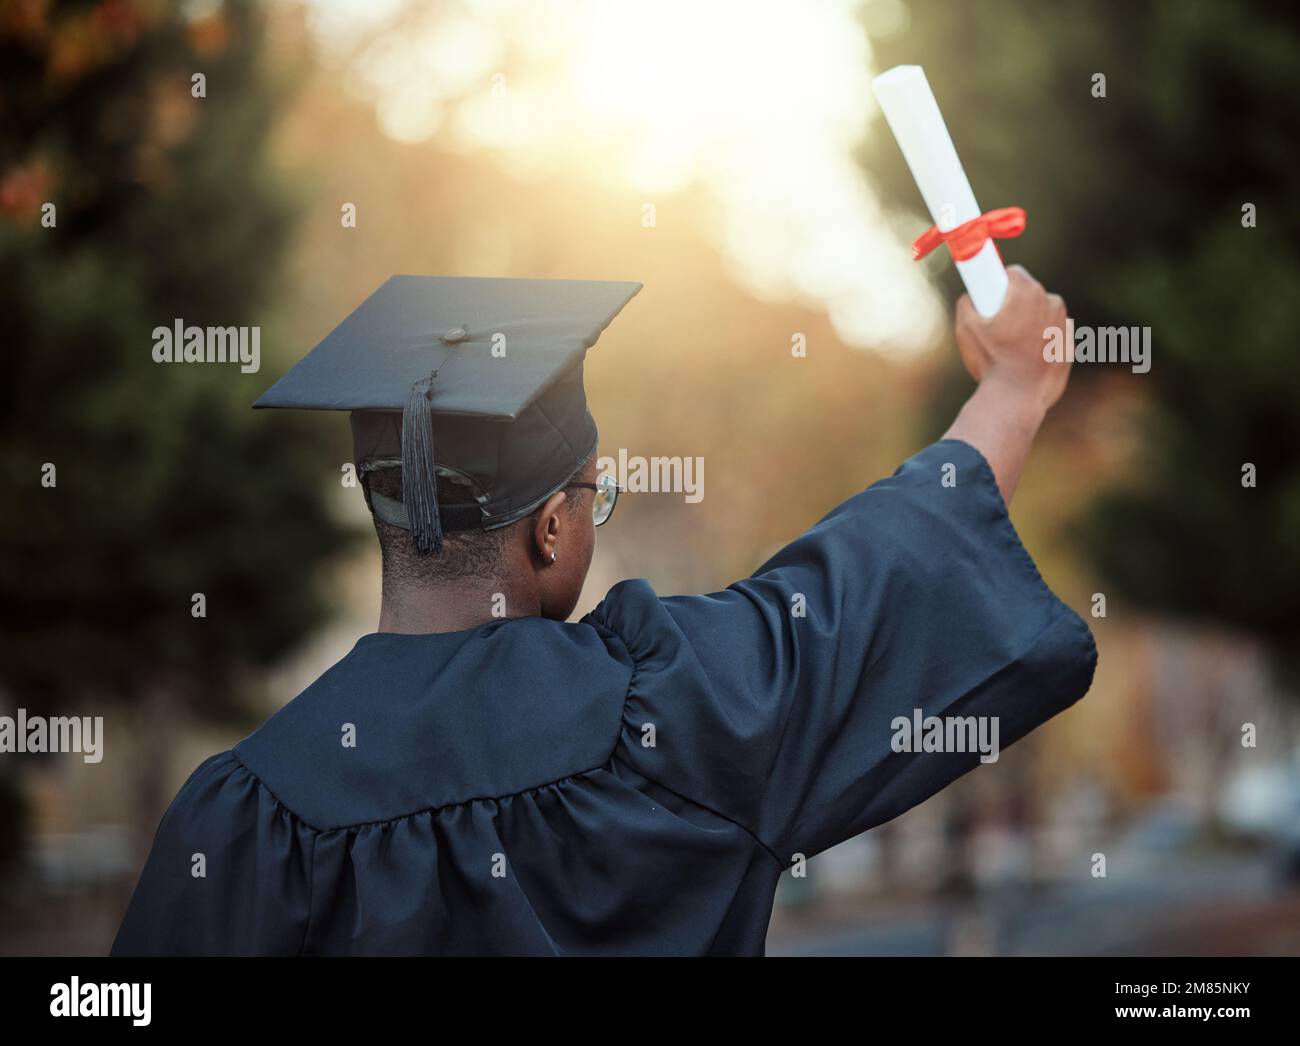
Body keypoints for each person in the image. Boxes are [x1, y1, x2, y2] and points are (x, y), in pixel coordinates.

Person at [112, 267, 1095, 956]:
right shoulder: (673, 714)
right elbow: (887, 570)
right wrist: (1014, 384)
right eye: (592, 496)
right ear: (551, 527)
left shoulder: (238, 813)